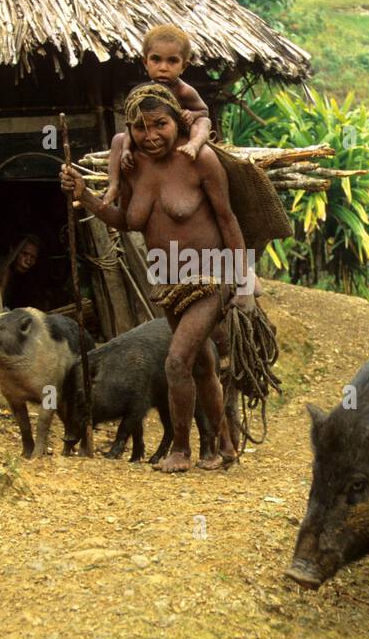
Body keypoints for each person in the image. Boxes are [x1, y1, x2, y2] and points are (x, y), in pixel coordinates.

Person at [61, 83, 252, 472]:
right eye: (140, 128)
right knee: (200, 366)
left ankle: (181, 449)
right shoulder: (135, 168)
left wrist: (243, 278)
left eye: (160, 124)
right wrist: (86, 196)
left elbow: (228, 219)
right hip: (167, 282)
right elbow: (127, 221)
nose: (150, 136)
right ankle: (225, 446)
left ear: (177, 123)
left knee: (176, 361)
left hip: (211, 276)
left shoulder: (202, 161)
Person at [102, 24, 211, 207]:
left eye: (172, 61)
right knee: (118, 139)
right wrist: (127, 149)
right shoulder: (142, 93)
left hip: (181, 137)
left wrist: (191, 114)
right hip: (153, 139)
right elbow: (132, 124)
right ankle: (114, 184)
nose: (163, 68)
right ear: (145, 62)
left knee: (204, 122)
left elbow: (204, 111)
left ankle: (194, 145)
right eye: (156, 60)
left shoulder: (184, 91)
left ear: (184, 66)